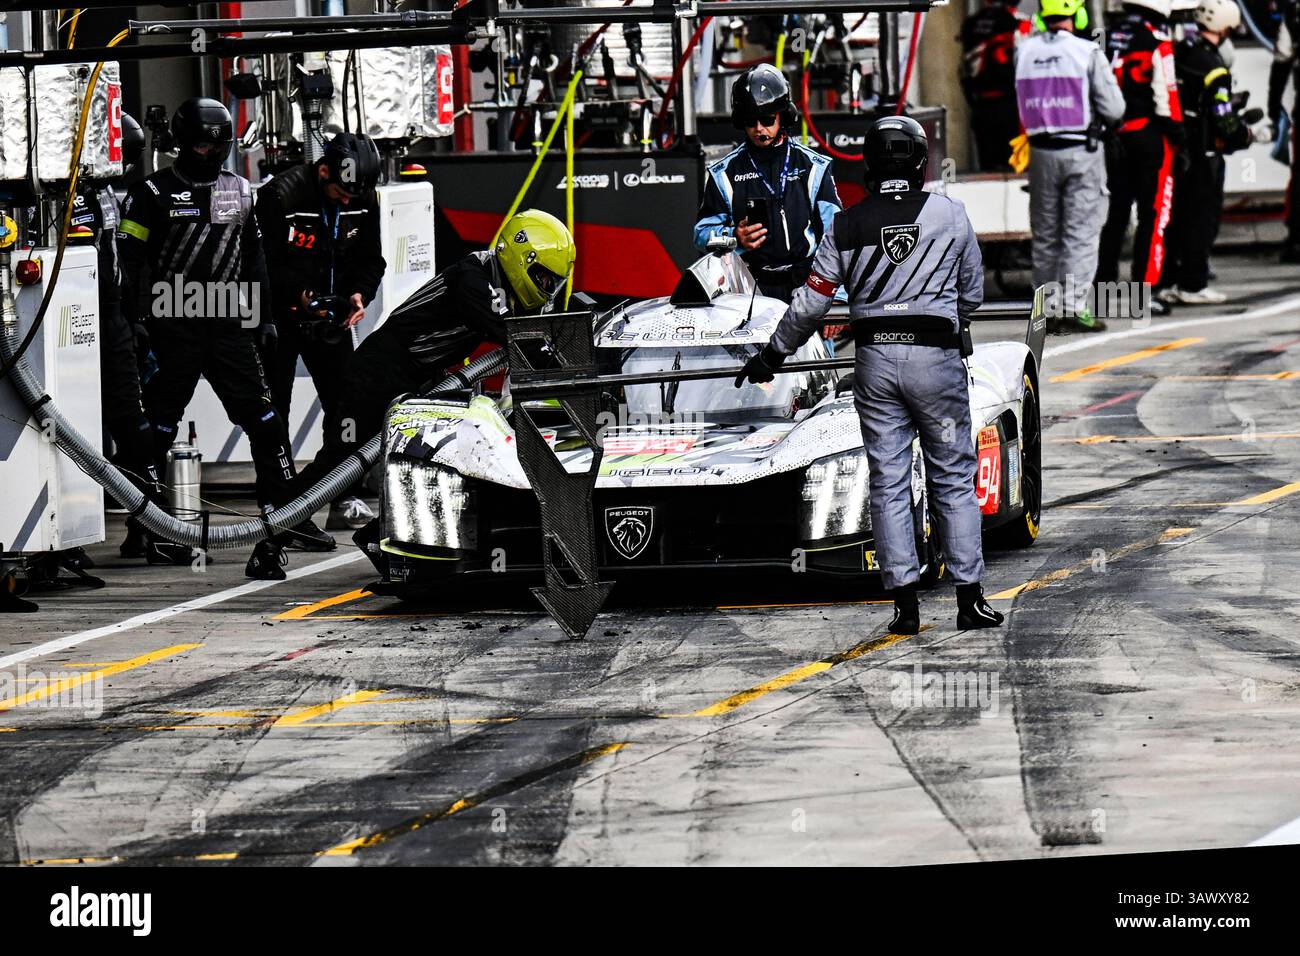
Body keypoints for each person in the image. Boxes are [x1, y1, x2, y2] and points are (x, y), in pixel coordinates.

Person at [734, 116, 1004, 633]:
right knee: (952, 477)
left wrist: (771, 355)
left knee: (888, 480)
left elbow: (811, 304)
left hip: (875, 362)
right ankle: (969, 600)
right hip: (936, 361)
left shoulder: (846, 225)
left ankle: (904, 607)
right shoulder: (950, 214)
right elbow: (972, 292)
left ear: (871, 166)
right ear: (921, 163)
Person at [279, 208, 576, 575]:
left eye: (553, 284)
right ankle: (273, 530)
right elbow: (512, 335)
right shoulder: (473, 279)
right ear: (520, 260)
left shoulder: (494, 282)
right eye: (543, 280)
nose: (547, 290)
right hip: (377, 373)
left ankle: (387, 540)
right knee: (341, 463)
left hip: (416, 377)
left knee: (419, 460)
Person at [116, 97, 334, 561]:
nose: (211, 154)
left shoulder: (241, 190)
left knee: (265, 420)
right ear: (180, 144)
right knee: (155, 426)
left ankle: (284, 513)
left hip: (228, 326)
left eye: (219, 146)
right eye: (201, 146)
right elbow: (129, 263)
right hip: (170, 324)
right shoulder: (149, 194)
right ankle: (148, 526)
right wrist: (135, 319)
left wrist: (264, 317)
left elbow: (255, 258)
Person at [68, 114, 189, 563]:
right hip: (73, 319)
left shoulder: (107, 194)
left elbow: (130, 259)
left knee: (135, 427)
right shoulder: (66, 194)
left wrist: (136, 319)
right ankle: (69, 538)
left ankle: (149, 528)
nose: (125, 168)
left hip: (114, 319)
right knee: (72, 427)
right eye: (123, 158)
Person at [254, 131, 387, 531]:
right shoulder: (279, 196)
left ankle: (338, 493)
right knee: (273, 410)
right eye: (340, 192)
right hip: (280, 318)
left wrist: (360, 295)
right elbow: (261, 265)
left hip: (332, 318)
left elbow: (371, 259)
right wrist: (296, 295)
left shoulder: (361, 196)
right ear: (323, 169)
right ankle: (275, 501)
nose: (348, 200)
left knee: (349, 406)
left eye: (354, 194)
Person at [1015, 0, 1126, 332]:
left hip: (1040, 154)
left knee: (1046, 234)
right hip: (1082, 152)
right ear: (1077, 14)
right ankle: (1073, 308)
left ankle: (1045, 311)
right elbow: (1115, 109)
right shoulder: (1087, 51)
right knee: (1080, 233)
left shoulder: (1025, 51)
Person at [694, 64, 842, 301]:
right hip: (750, 290)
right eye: (751, 121)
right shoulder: (723, 173)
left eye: (767, 119)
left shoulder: (814, 166)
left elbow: (835, 238)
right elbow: (701, 234)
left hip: (807, 286)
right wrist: (734, 237)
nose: (759, 128)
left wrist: (837, 296)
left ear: (783, 116)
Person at [1160, 0, 1255, 303]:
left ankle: (1170, 280)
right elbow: (1223, 118)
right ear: (1225, 28)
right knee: (1203, 219)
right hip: (1204, 154)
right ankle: (1194, 283)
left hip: (1177, 149)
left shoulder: (1180, 53)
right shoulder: (1215, 68)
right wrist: (1247, 135)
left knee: (1176, 217)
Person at [1097, 0, 1184, 315]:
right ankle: (1144, 292)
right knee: (1153, 215)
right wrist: (1180, 140)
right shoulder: (1158, 42)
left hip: (1113, 137)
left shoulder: (1106, 38)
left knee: (1114, 213)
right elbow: (1167, 98)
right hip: (1149, 137)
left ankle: (1102, 287)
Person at [961, 0, 1033, 171]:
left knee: (988, 168)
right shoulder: (1018, 22)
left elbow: (965, 69)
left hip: (981, 104)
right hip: (1011, 105)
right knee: (1016, 166)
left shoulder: (972, 22)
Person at [1269, 0, 1300, 263]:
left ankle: (1295, 239)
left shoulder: (1293, 13)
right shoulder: (1292, 14)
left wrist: (1273, 104)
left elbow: (1282, 61)